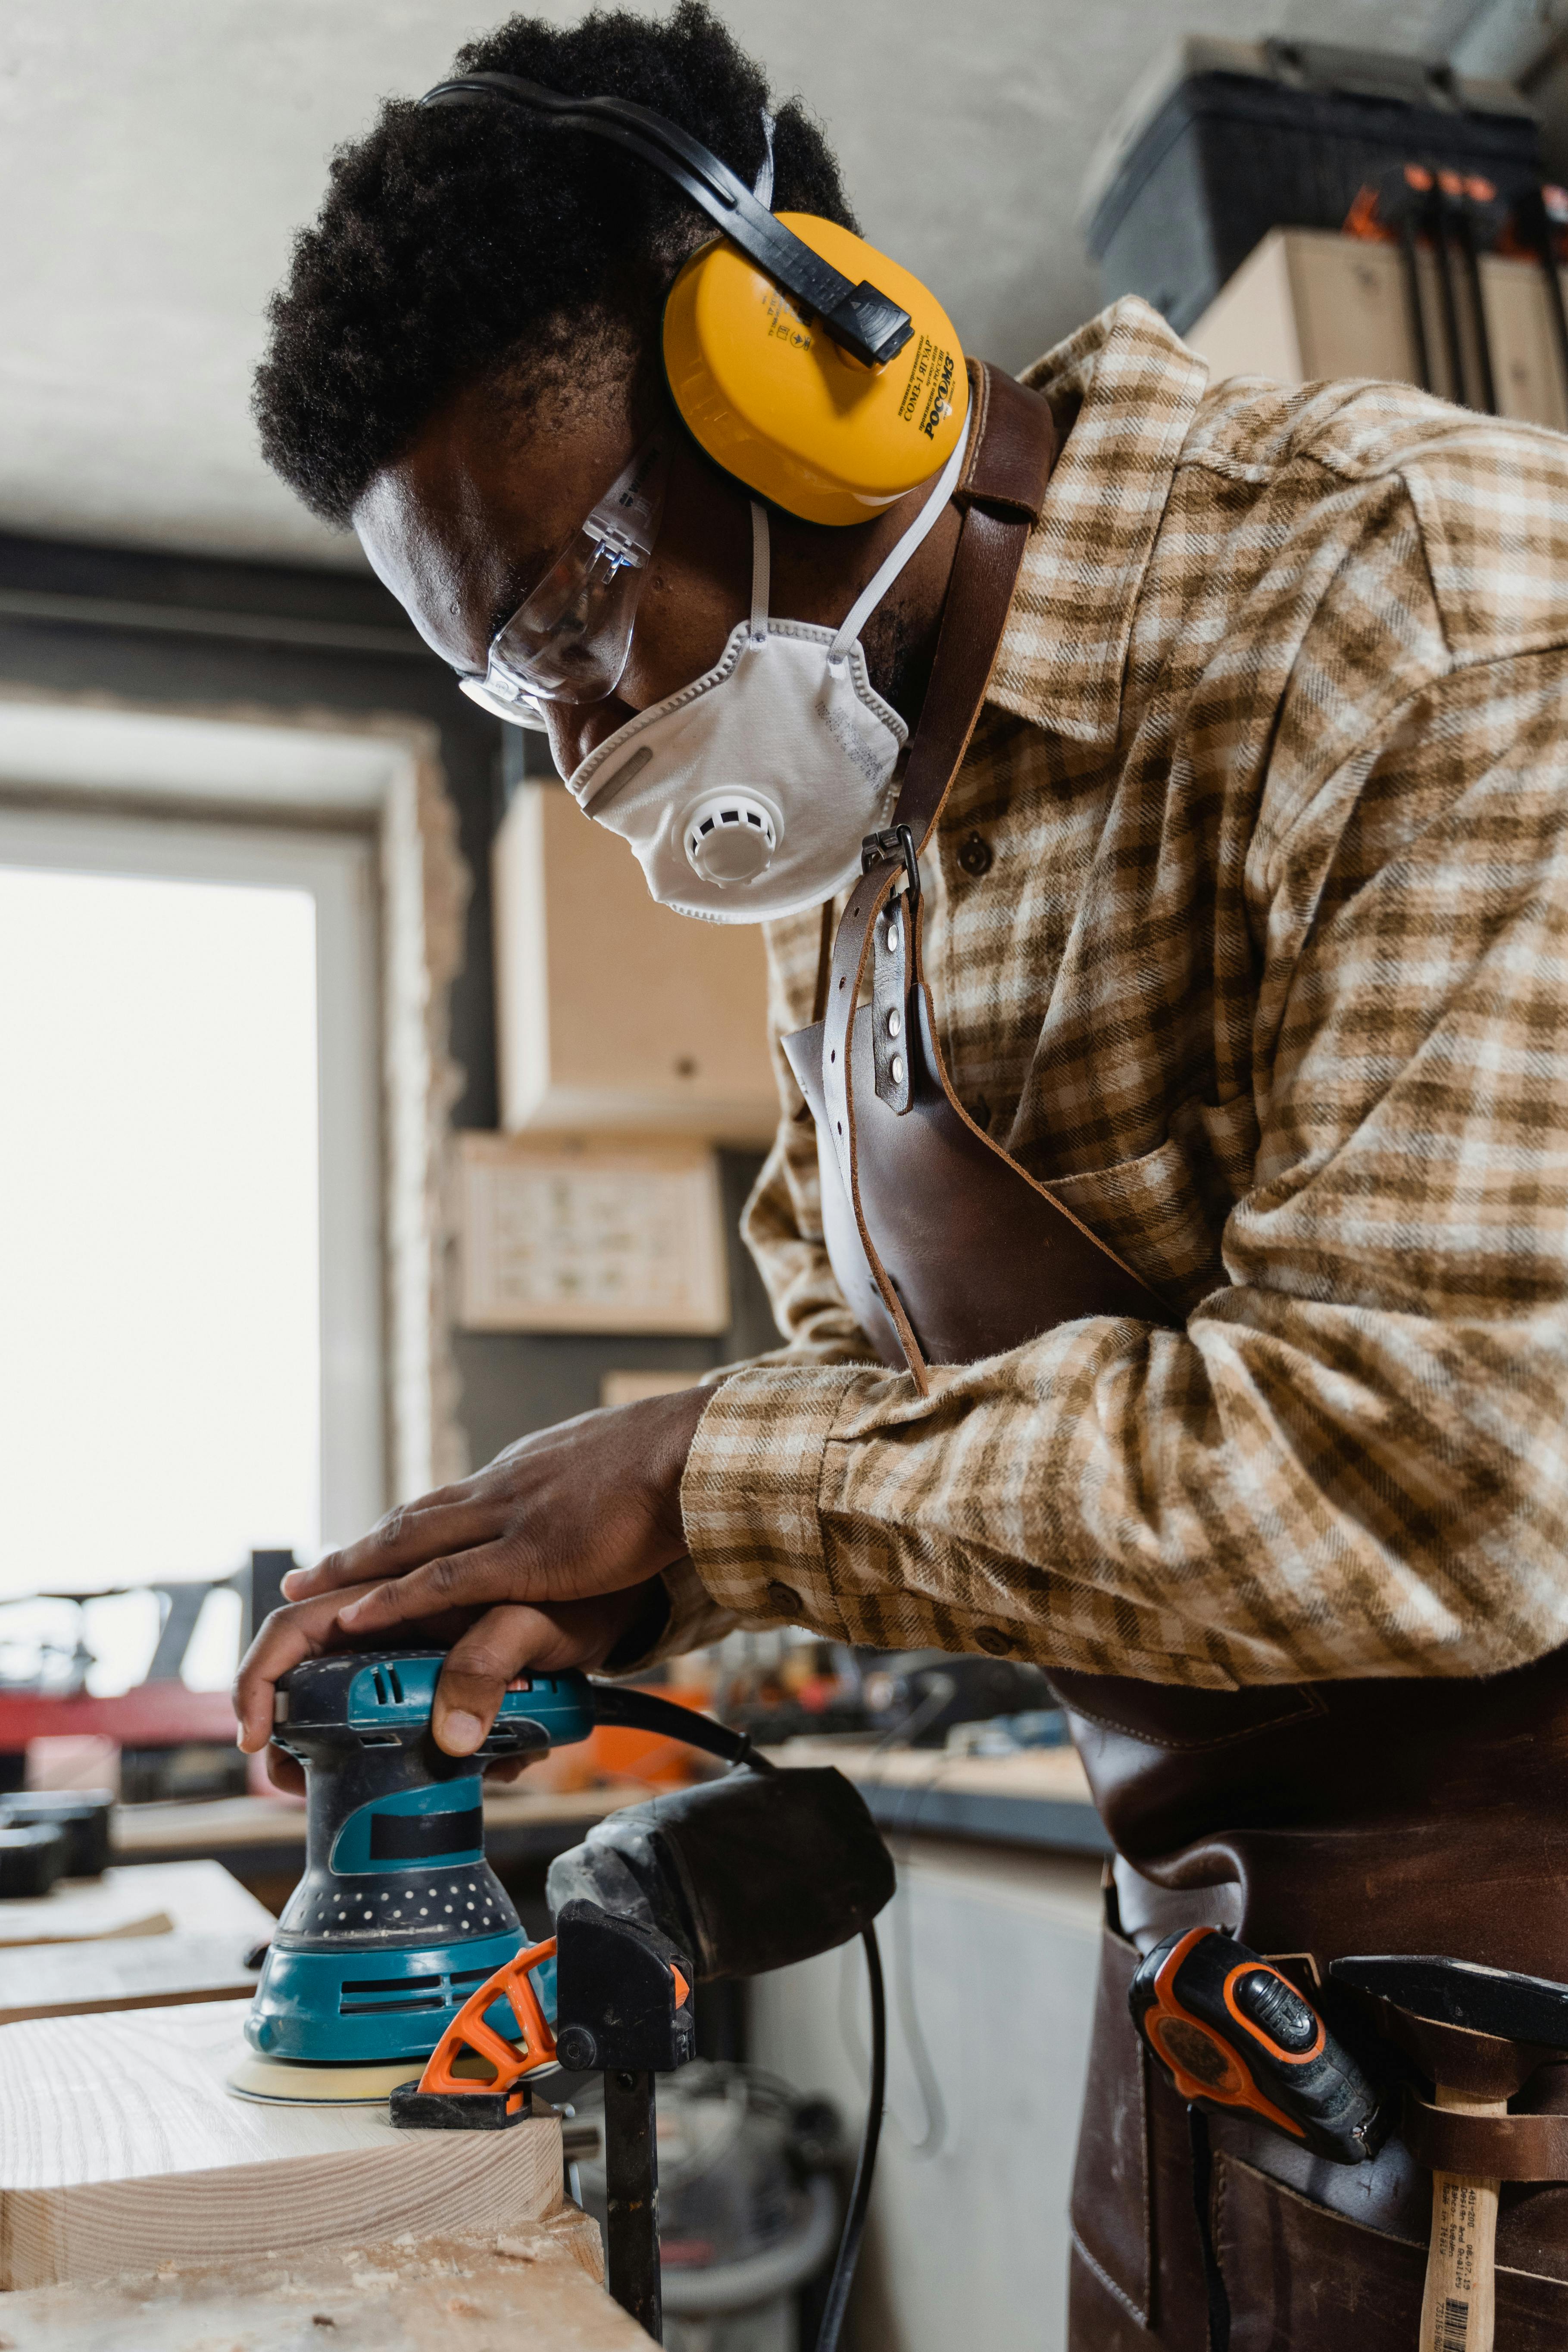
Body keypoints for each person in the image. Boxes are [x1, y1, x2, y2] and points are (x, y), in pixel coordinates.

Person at [234, 8, 1568, 2345]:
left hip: (1525, 2075)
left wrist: (704, 1478)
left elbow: (1437, 1464)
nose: (575, 741)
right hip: (1217, 2013)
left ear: (804, 370)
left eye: (563, 618)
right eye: (503, 688)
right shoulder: (849, 847)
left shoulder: (1412, 608)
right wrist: (634, 1589)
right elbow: (903, 1429)